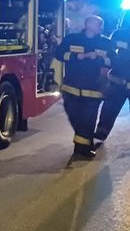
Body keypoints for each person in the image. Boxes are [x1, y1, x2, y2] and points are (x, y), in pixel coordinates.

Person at [55, 15, 114, 158]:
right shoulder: (72, 39)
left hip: (93, 90)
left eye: (102, 25)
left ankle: (83, 149)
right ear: (88, 25)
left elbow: (113, 61)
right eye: (99, 24)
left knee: (88, 119)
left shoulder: (106, 43)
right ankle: (83, 142)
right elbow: (58, 54)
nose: (102, 27)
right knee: (75, 118)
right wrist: (77, 57)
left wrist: (99, 59)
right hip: (71, 88)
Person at [94, 22, 130, 144]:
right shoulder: (119, 34)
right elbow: (108, 51)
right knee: (109, 108)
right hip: (118, 79)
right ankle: (101, 132)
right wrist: (105, 66)